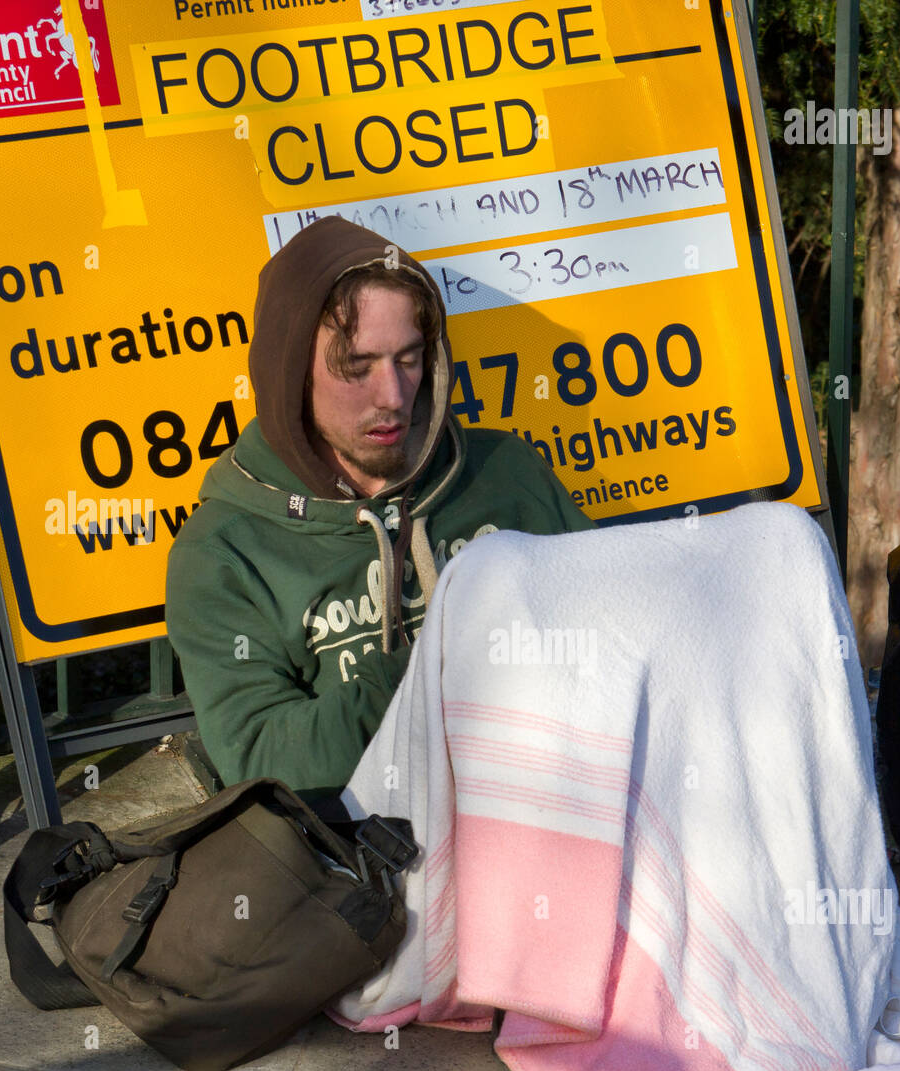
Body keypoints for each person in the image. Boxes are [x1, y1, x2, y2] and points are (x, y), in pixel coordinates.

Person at [165, 217, 594, 807]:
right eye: (357, 367)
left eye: (410, 359)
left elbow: (612, 634)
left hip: (558, 802)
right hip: (369, 864)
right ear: (290, 373)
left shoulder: (507, 471)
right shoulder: (223, 554)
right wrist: (443, 662)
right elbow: (268, 768)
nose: (393, 396)